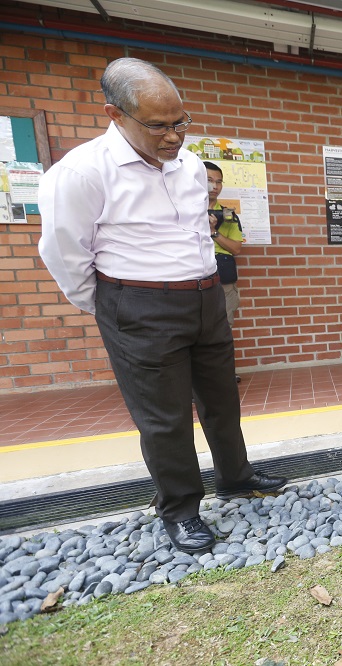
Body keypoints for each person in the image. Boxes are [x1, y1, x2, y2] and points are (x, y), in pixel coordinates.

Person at [37, 57, 286, 554]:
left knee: (221, 400)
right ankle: (180, 508)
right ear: (115, 114)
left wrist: (206, 284)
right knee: (164, 418)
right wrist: (114, 305)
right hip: (137, 304)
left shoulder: (190, 164)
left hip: (204, 296)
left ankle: (234, 477)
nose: (173, 137)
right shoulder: (83, 173)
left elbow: (197, 231)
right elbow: (64, 252)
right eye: (157, 126)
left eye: (179, 123)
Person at [205, 161, 244, 382]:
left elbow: (236, 247)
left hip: (223, 280)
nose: (215, 186)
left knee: (224, 328)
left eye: (219, 181)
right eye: (209, 180)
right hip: (192, 282)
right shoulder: (181, 211)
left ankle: (223, 375)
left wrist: (213, 232)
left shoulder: (228, 215)